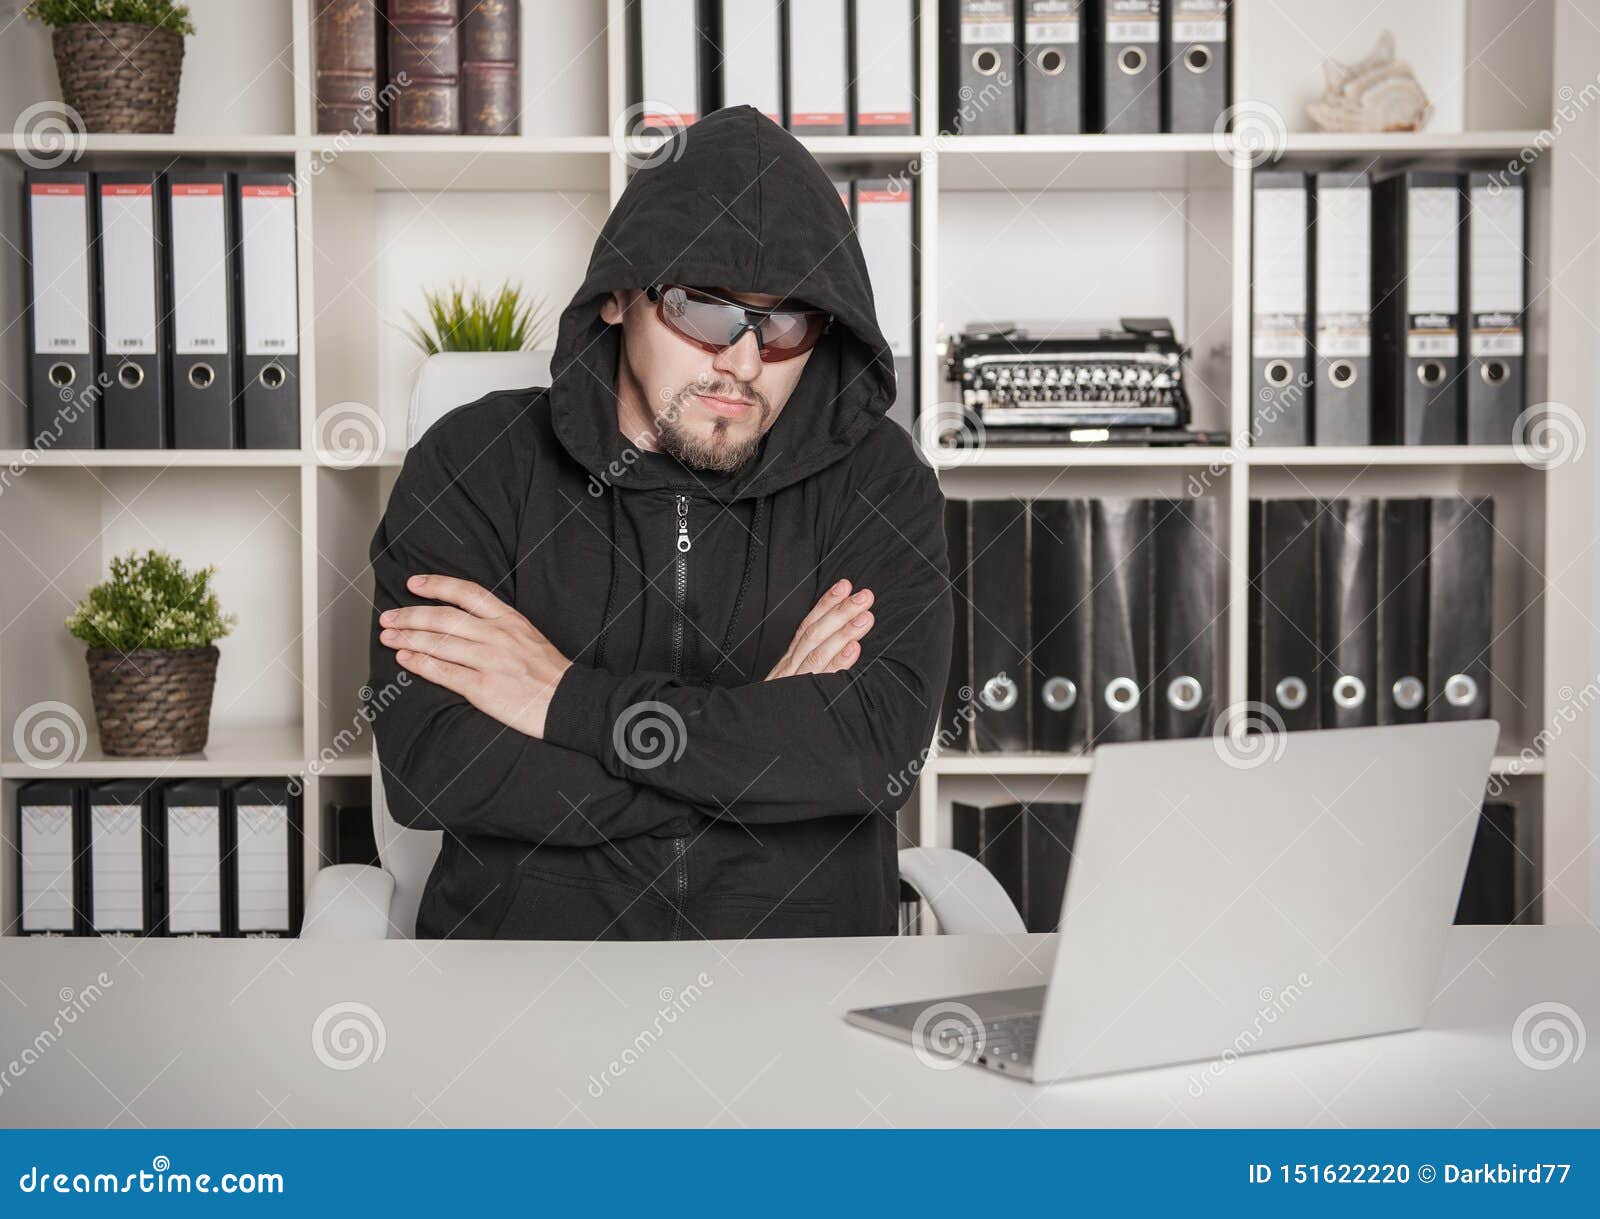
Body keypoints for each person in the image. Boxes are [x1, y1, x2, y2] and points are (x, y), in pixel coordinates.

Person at [367, 105, 953, 940]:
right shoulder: (473, 463)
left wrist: (564, 700)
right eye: (707, 311)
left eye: (786, 324)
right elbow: (431, 767)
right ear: (619, 296)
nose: (744, 361)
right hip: (520, 991)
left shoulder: (878, 481)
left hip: (804, 990)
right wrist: (755, 750)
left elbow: (874, 751)